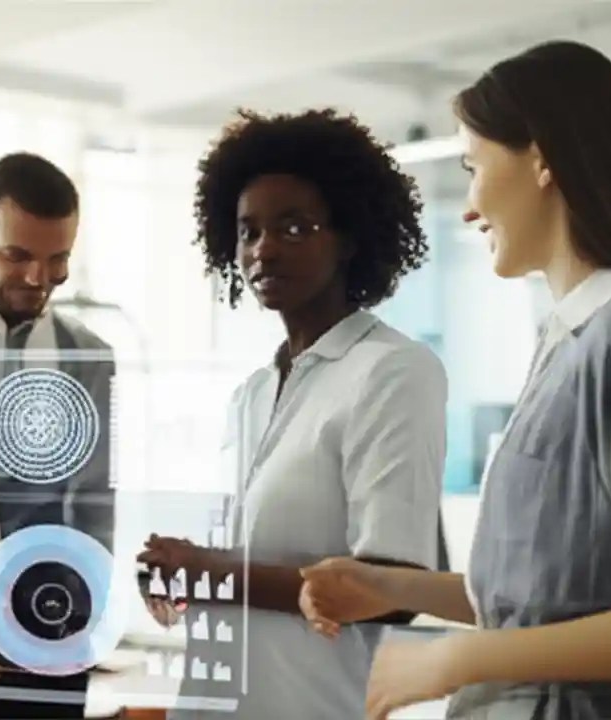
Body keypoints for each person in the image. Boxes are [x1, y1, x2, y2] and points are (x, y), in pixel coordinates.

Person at [299, 40, 611, 720]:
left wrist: (453, 660)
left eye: (474, 167)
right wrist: (391, 585)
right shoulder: (569, 339)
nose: (470, 207)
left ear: (541, 159)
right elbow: (550, 595)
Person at [135, 108, 447, 719]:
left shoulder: (392, 370)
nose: (265, 249)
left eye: (295, 228)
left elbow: (392, 590)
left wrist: (213, 570)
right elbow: (250, 559)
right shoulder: (252, 393)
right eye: (249, 232)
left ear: (349, 238)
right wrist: (183, 575)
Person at [0, 152, 116, 719]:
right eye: (17, 255)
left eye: (57, 259)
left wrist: (79, 619)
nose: (40, 278)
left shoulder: (91, 356)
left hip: (50, 634)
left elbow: (94, 504)